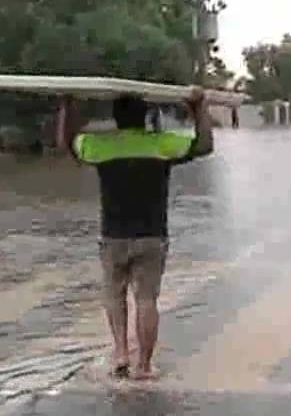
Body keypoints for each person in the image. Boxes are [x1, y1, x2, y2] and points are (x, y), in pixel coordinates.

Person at [56, 89, 215, 380]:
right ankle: (143, 365)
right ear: (144, 118)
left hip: (113, 236)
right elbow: (204, 145)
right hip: (152, 236)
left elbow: (66, 144)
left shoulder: (101, 146)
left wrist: (68, 106)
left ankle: (119, 353)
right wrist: (198, 108)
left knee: (114, 295)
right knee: (146, 300)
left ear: (116, 119)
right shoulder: (162, 143)